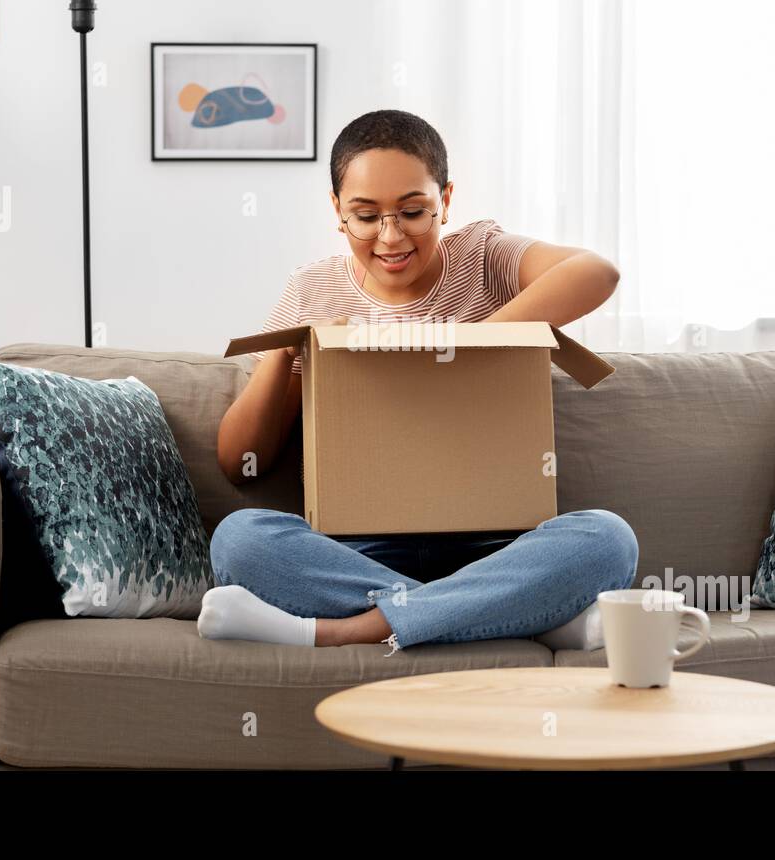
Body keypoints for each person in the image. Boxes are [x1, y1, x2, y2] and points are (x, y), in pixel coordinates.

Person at [203, 109, 637, 655]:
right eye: (366, 216)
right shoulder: (312, 289)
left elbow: (598, 273)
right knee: (238, 540)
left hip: (497, 546)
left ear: (446, 201)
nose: (390, 237)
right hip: (359, 553)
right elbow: (241, 462)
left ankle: (353, 629)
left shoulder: (483, 256)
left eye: (413, 212)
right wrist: (291, 348)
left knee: (607, 539)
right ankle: (511, 615)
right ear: (338, 211)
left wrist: (469, 348)